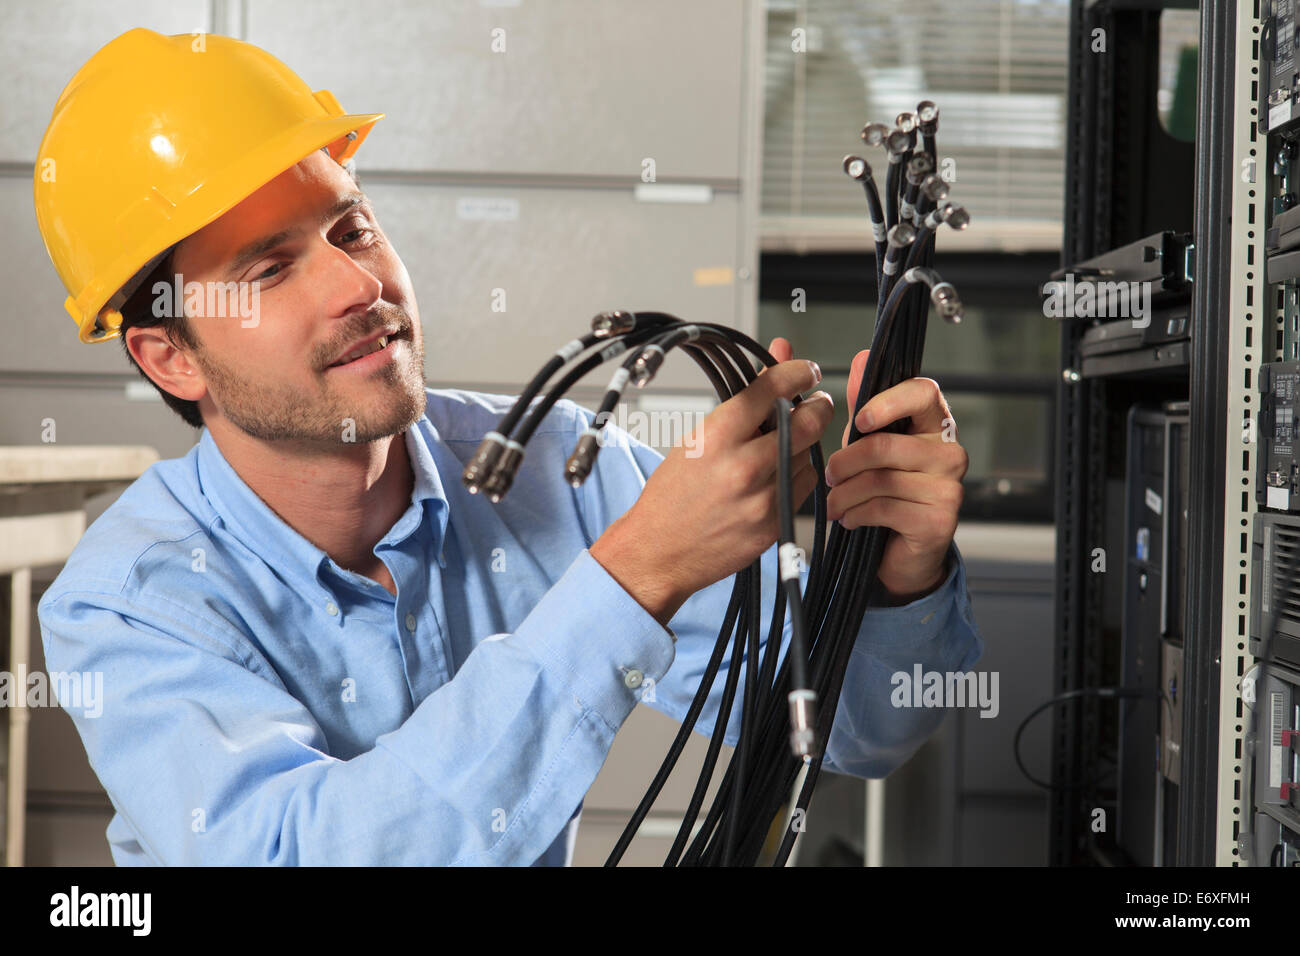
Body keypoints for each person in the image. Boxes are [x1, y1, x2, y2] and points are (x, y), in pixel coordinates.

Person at [33, 28, 982, 865]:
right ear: (170, 356)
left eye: (351, 226)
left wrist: (898, 570)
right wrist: (632, 580)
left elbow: (851, 732)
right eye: (271, 270)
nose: (357, 286)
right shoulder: (133, 602)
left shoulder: (562, 472)